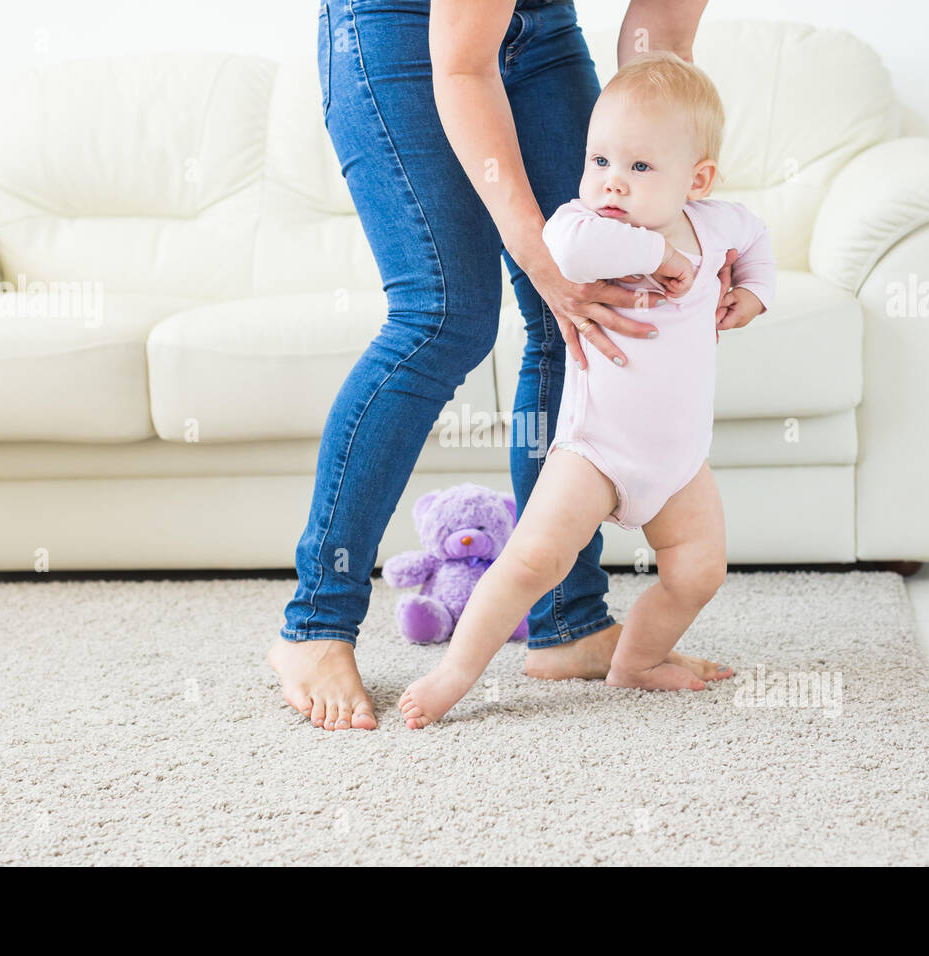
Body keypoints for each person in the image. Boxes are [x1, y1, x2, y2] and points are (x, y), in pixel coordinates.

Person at [272, 0, 746, 731]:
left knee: (585, 314)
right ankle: (314, 626)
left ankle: (569, 624)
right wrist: (543, 253)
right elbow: (463, 63)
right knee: (444, 316)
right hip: (401, 24)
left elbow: (664, 48)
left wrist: (691, 220)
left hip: (541, 26)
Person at [398, 50, 775, 728]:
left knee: (698, 572)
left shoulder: (719, 225)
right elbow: (566, 251)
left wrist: (753, 294)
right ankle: (456, 671)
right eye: (600, 161)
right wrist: (659, 255)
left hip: (678, 461)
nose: (613, 183)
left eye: (638, 167)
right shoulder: (586, 225)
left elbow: (757, 240)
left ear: (698, 179)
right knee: (530, 561)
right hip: (594, 452)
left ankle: (637, 659)